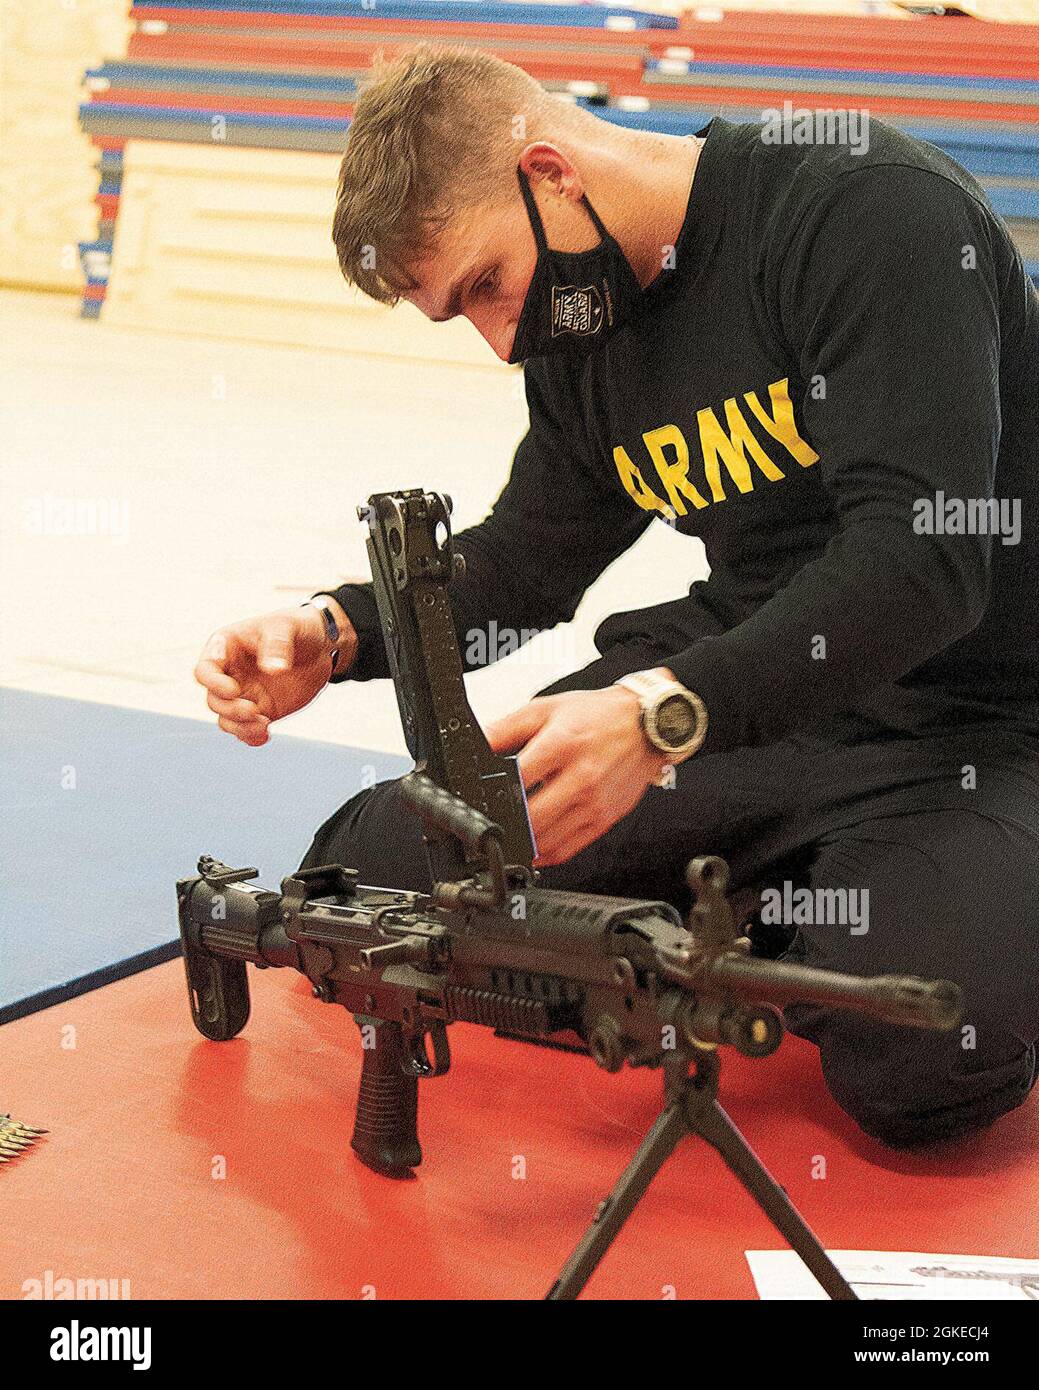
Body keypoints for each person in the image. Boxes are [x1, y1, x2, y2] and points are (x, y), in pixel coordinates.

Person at [194, 45, 1039, 1149]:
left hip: (978, 715)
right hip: (754, 695)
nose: (503, 341)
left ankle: (808, 910)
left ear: (551, 173)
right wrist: (338, 627)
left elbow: (922, 566)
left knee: (925, 1055)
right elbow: (529, 562)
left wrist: (654, 716)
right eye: (464, 316)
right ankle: (769, 914)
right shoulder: (580, 314)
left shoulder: (866, 213)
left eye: (489, 286)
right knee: (374, 880)